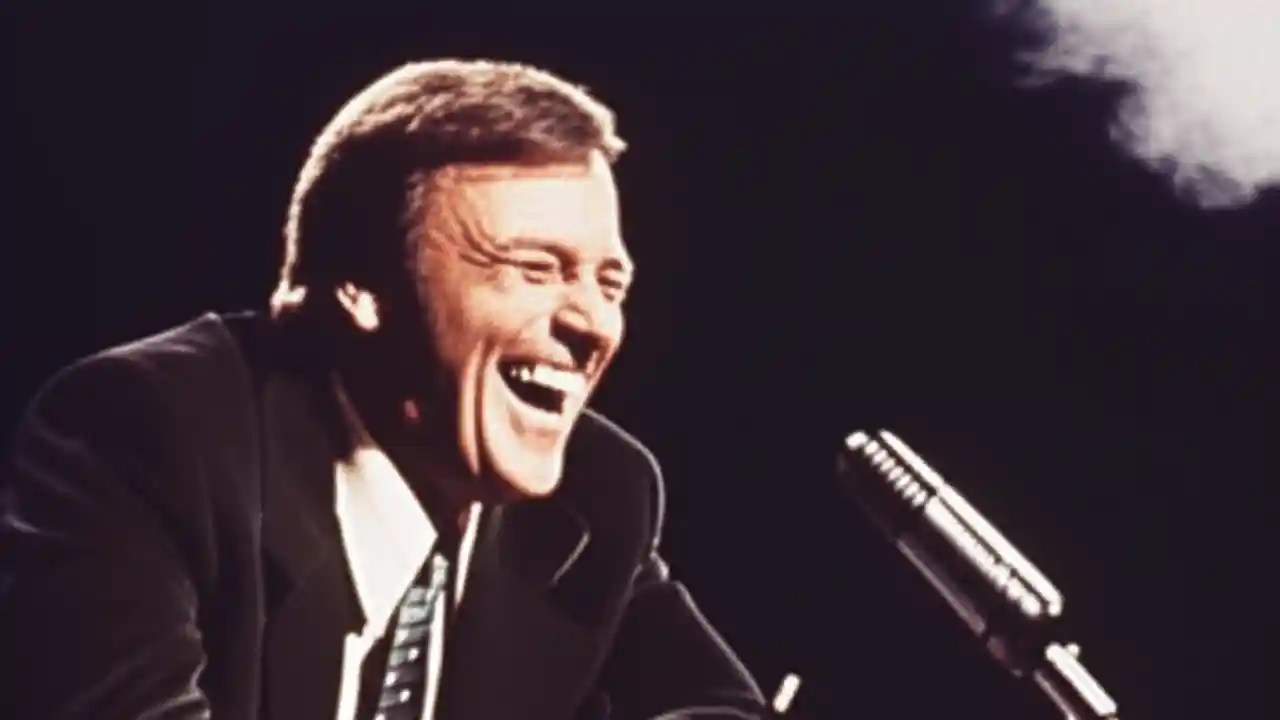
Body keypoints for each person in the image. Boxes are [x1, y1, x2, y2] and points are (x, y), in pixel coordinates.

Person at [0, 59, 769, 719]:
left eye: (610, 282)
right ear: (363, 287)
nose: (592, 323)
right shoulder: (151, 434)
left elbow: (721, 707)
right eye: (535, 269)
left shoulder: (601, 495)